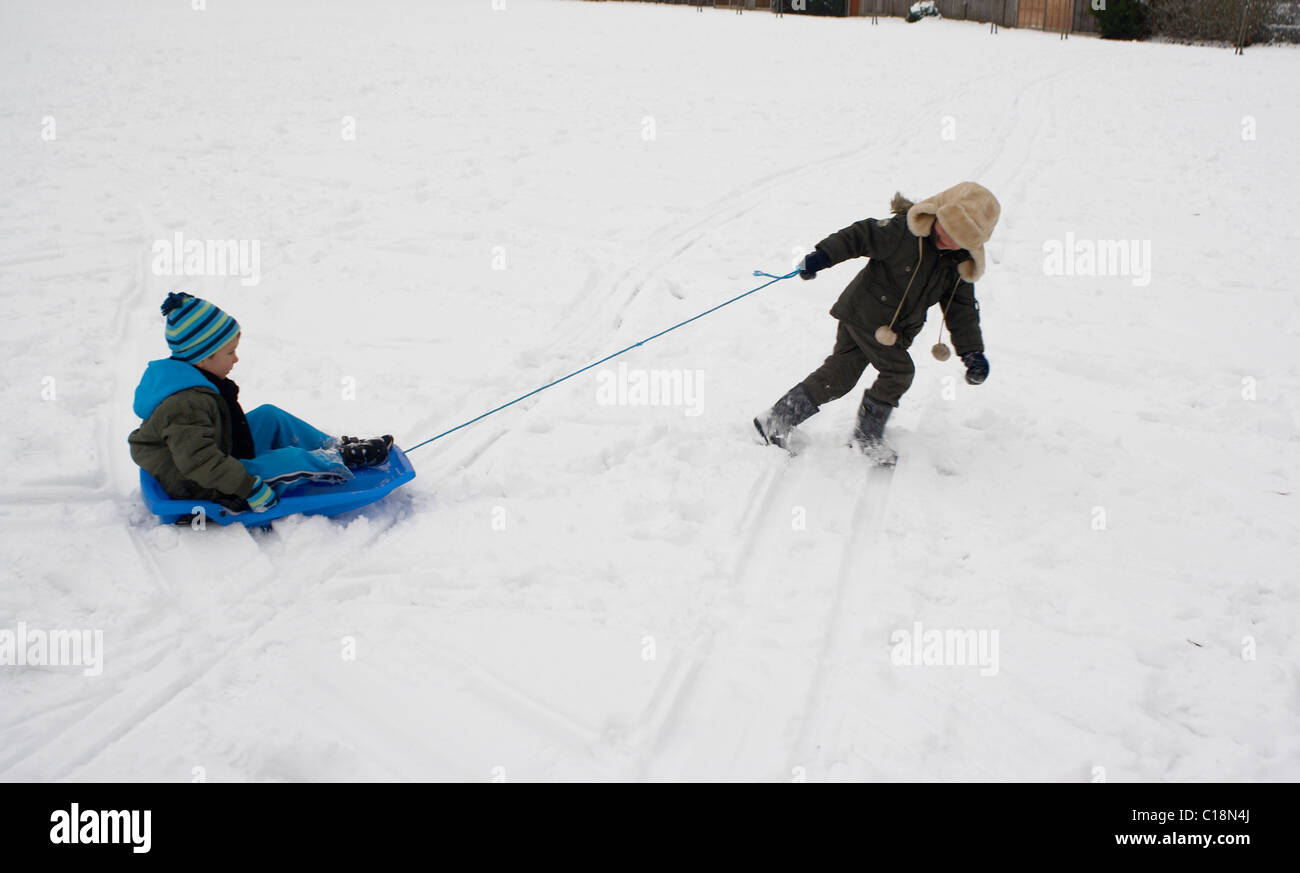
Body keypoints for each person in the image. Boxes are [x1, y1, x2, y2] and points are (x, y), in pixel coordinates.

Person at [754, 181, 1000, 465]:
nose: (947, 238)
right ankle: (866, 437)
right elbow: (859, 236)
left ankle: (776, 420)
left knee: (839, 377)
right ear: (939, 213)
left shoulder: (958, 266)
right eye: (946, 227)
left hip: (890, 329)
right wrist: (822, 257)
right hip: (864, 312)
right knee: (899, 372)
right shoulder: (903, 232)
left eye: (959, 237)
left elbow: (962, 310)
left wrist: (972, 352)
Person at [129, 292, 393, 514]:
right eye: (229, 352)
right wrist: (248, 488)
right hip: (201, 481)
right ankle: (338, 460)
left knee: (269, 415)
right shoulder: (185, 405)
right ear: (203, 358)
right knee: (285, 460)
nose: (236, 359)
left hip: (213, 455)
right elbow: (199, 463)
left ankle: (333, 446)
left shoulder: (193, 378)